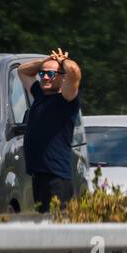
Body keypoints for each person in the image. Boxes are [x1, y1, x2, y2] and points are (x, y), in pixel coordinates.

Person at [17, 48, 82, 213]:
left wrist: (62, 61)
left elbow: (74, 71)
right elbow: (22, 71)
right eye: (42, 74)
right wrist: (47, 61)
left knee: (56, 227)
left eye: (51, 74)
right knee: (43, 225)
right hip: (39, 175)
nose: (45, 77)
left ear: (62, 77)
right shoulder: (40, 95)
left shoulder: (66, 99)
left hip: (56, 178)